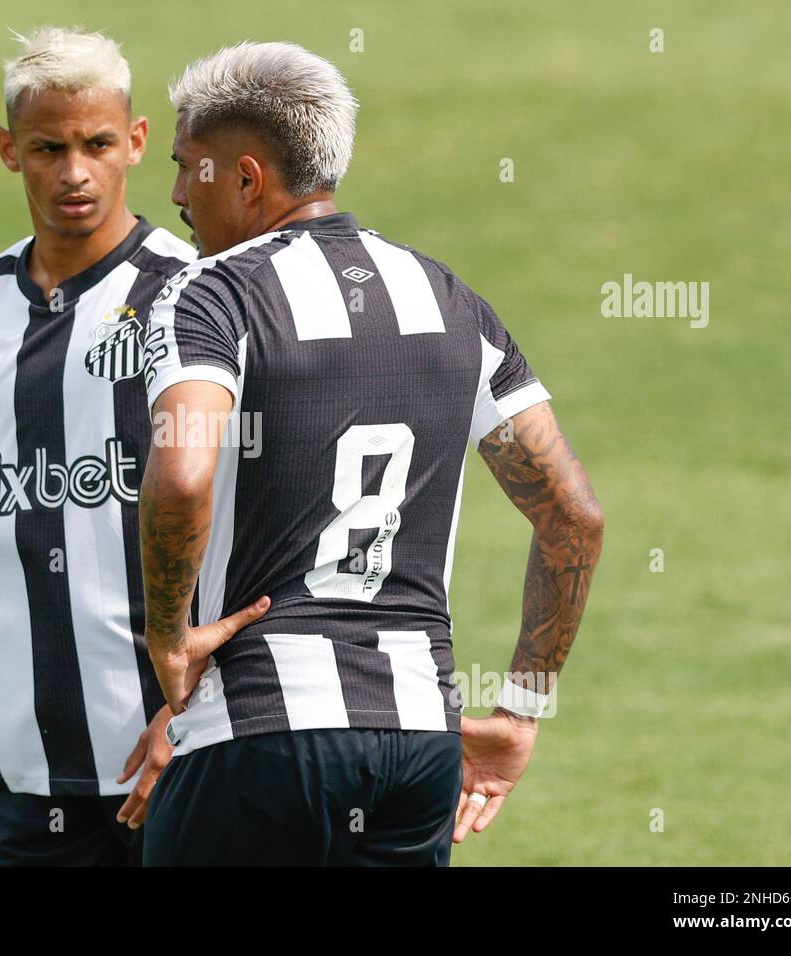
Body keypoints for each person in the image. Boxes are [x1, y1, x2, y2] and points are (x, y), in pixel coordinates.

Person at [139, 41, 604, 865]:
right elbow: (574, 515)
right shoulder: (450, 299)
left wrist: (169, 637)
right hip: (416, 744)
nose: (175, 195)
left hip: (256, 737)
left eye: (189, 168)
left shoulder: (209, 293)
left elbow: (180, 477)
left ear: (246, 179)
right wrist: (523, 706)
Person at [0, 27, 202, 866]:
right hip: (22, 767)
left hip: (169, 753)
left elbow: (245, 528)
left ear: (136, 142)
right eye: (48, 148)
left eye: (97, 144)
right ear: (8, 151)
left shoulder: (191, 295)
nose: (74, 173)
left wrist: (195, 711)